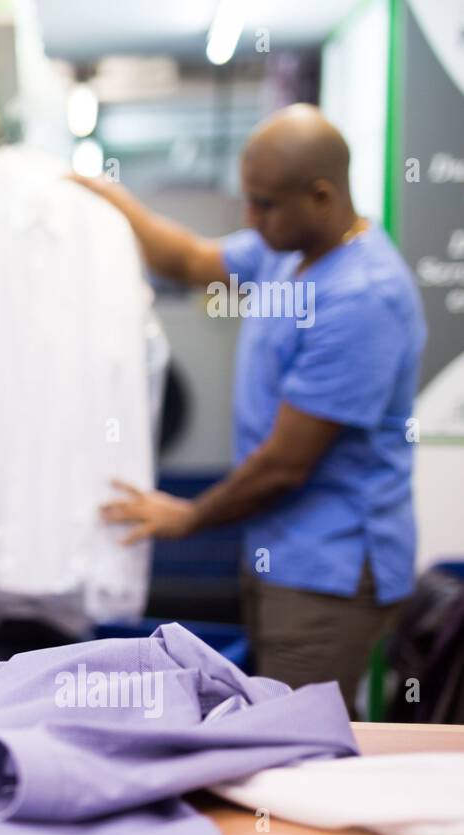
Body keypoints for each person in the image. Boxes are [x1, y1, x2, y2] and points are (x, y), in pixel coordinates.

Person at [75, 103, 426, 716]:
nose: (250, 217)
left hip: (328, 571)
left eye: (264, 203)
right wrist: (111, 200)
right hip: (281, 545)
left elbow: (285, 466)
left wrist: (187, 518)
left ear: (321, 195)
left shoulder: (361, 298)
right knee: (280, 718)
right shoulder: (286, 250)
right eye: (248, 200)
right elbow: (187, 260)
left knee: (295, 741)